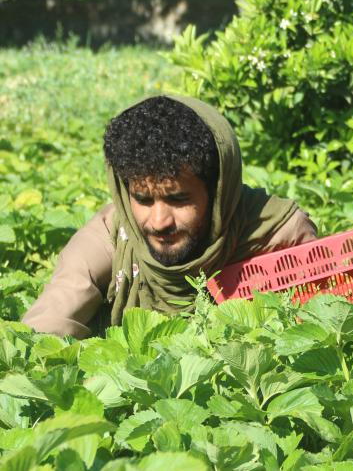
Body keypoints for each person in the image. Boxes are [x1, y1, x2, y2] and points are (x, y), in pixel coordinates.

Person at [23, 94, 317, 338]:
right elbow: (48, 324)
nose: (159, 221)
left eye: (178, 199)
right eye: (142, 199)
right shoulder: (109, 238)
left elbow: (321, 323)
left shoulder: (276, 232)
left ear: (217, 191)